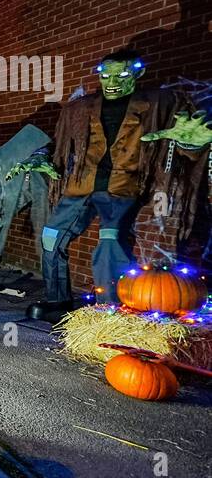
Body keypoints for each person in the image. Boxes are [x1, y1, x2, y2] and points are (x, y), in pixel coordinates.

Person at [27, 49, 206, 320]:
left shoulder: (158, 104)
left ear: (138, 73)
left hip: (121, 188)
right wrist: (40, 157)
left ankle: (108, 310)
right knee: (51, 237)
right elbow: (61, 144)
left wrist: (191, 143)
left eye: (122, 74)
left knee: (110, 243)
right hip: (80, 187)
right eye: (105, 74)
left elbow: (180, 148)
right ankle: (57, 299)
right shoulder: (81, 107)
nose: (111, 81)